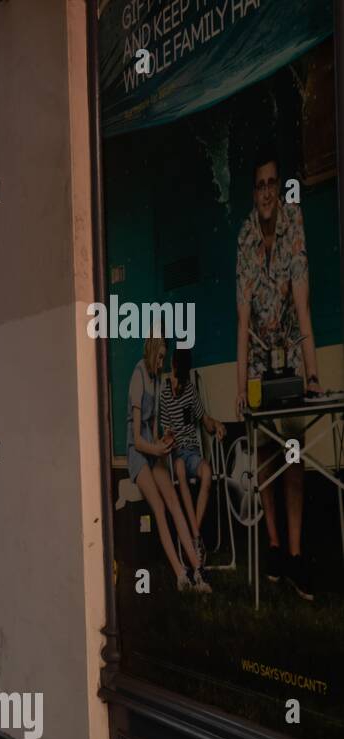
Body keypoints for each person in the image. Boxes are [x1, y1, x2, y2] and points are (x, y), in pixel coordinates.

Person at [235, 146, 321, 601]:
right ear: (254, 193)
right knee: (265, 452)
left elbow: (303, 306)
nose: (267, 191)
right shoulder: (245, 237)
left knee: (293, 453)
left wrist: (311, 375)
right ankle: (271, 546)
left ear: (278, 186)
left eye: (273, 182)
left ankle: (295, 553)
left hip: (288, 352)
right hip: (256, 361)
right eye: (260, 185)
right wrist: (237, 389)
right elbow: (243, 322)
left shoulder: (293, 225)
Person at [128, 334, 210, 593]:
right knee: (160, 509)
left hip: (153, 449)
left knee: (174, 501)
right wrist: (156, 448)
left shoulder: (155, 378)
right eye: (160, 357)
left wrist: (165, 441)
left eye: (165, 358)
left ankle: (198, 571)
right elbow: (139, 440)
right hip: (138, 452)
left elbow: (153, 431)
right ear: (151, 352)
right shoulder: (138, 378)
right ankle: (180, 575)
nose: (163, 363)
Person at [160, 346, 225, 563]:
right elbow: (165, 430)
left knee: (207, 471)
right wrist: (168, 436)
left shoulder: (190, 390)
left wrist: (216, 424)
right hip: (177, 454)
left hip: (193, 452)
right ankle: (195, 538)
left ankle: (194, 536)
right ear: (174, 366)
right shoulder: (165, 392)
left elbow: (204, 420)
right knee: (179, 468)